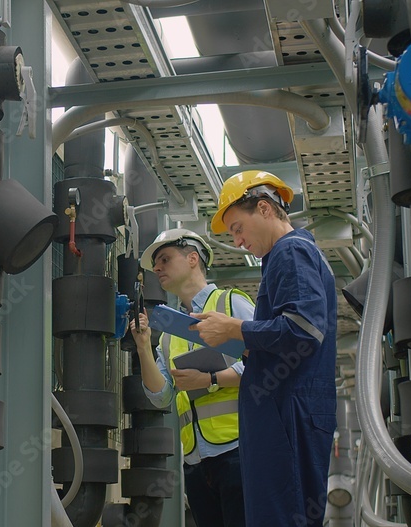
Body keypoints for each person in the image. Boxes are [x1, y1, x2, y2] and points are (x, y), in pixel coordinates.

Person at [189, 170, 338, 527]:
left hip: (287, 413)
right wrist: (247, 346)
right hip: (286, 412)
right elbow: (291, 337)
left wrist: (234, 327)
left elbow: (303, 329)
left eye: (238, 228)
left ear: (265, 209)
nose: (237, 242)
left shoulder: (291, 250)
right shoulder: (286, 256)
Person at [128, 228, 255, 527]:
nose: (157, 268)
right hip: (197, 463)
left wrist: (210, 380)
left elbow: (267, 364)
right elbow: (160, 396)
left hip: (239, 452)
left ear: (193, 259)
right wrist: (144, 347)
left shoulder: (231, 304)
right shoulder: (170, 333)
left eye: (164, 259)